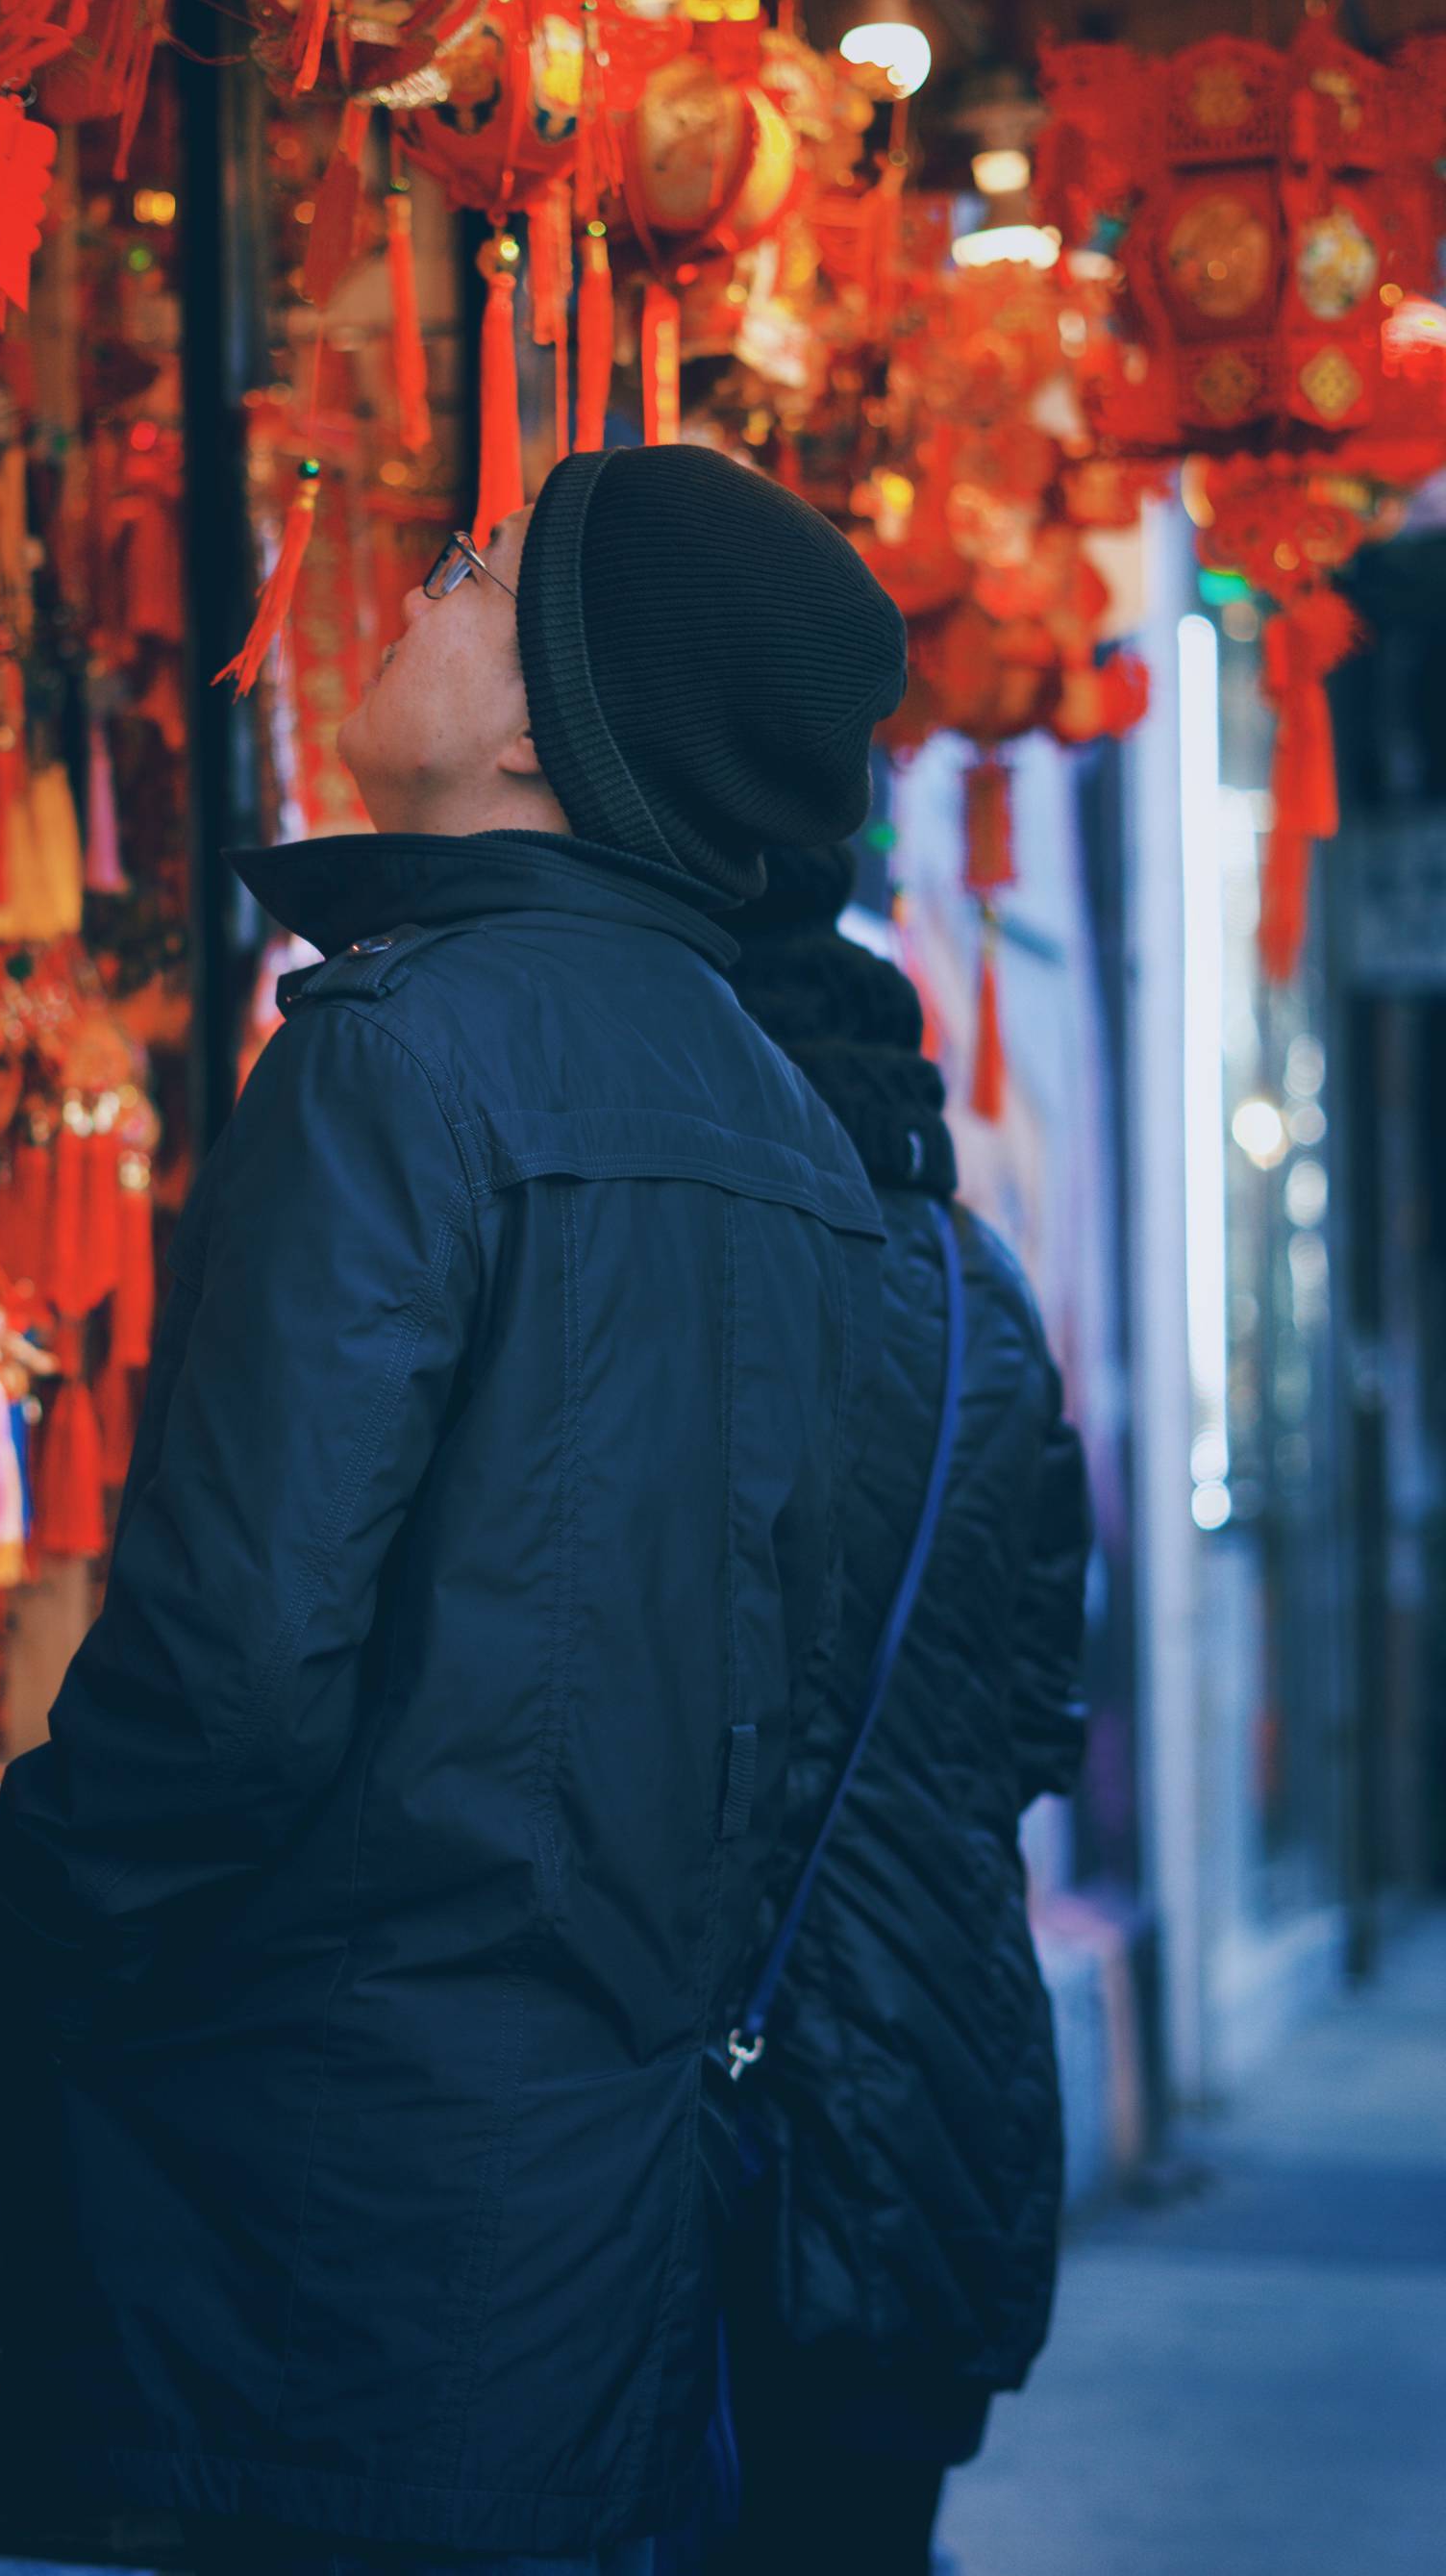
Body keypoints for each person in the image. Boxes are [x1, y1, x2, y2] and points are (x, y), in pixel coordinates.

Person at [0, 446, 909, 2573]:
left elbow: (227, 1671)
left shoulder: (405, 1058)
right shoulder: (782, 1130)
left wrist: (32, 1923)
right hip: (595, 2207)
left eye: (475, 575)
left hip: (320, 2213)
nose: (417, 585)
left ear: (538, 727)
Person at [712, 844, 1092, 2576]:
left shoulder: (709, 1291)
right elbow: (1034, 1716)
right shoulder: (983, 1298)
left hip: (738, 2101)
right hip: (948, 2057)